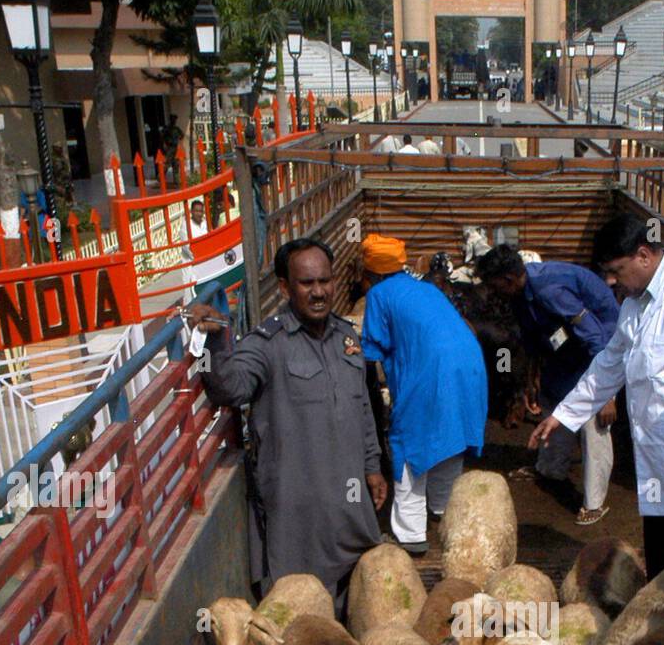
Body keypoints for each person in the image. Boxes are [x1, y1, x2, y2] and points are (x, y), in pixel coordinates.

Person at [529, 214, 664, 579]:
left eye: (616, 270)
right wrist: (563, 415)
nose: (611, 281)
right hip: (656, 460)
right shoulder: (634, 305)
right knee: (661, 565)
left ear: (644, 254)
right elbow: (608, 364)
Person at [185, 237, 386, 610]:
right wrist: (215, 343)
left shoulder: (347, 337)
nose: (319, 292)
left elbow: (362, 410)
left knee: (362, 598)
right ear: (284, 287)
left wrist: (372, 466)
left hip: (350, 504)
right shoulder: (267, 343)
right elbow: (231, 388)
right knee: (302, 606)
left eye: (324, 281)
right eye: (307, 283)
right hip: (300, 512)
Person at [360, 233, 487, 555]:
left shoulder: (378, 294)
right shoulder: (427, 288)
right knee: (451, 434)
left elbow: (372, 350)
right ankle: (444, 509)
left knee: (409, 443)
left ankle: (411, 534)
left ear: (371, 273)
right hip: (470, 366)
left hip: (433, 373)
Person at [476, 243, 620, 525]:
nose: (493, 293)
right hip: (565, 349)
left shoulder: (549, 291)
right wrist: (532, 378)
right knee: (552, 399)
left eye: (495, 287)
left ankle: (594, 501)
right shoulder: (518, 294)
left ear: (508, 279)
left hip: (601, 344)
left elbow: (594, 335)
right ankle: (550, 468)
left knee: (592, 420)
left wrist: (607, 393)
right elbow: (532, 339)